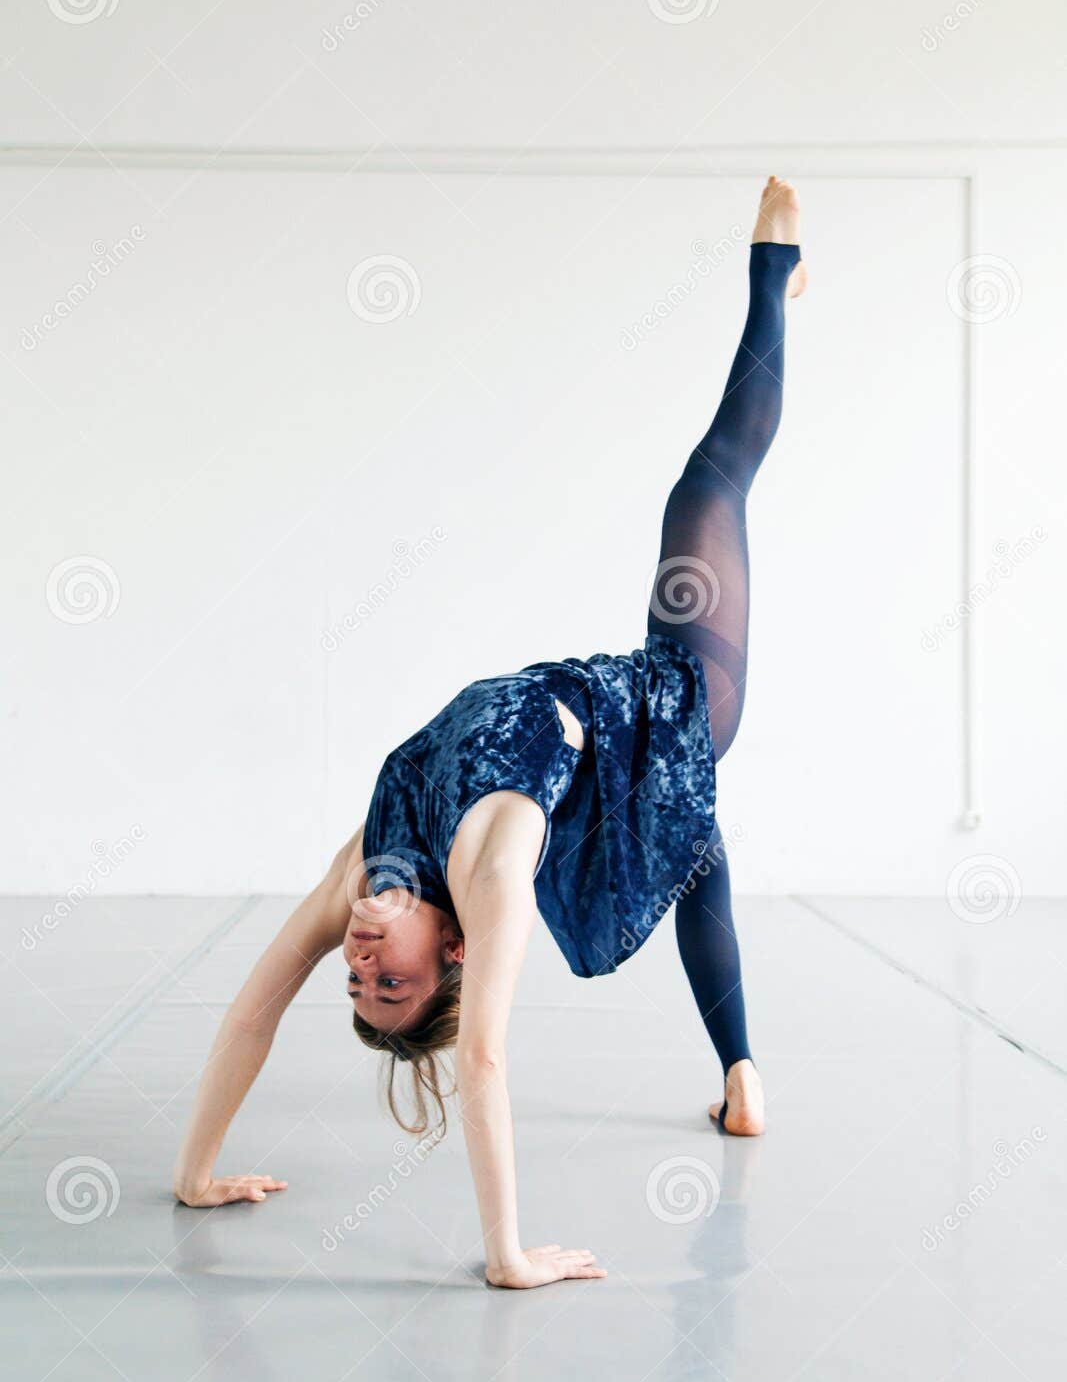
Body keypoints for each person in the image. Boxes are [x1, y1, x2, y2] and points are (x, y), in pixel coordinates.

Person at [173, 178, 805, 1292]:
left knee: (697, 851)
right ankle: (771, 277)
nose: (362, 964)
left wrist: (195, 1173)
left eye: (356, 983)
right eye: (391, 984)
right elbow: (486, 1055)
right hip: (674, 708)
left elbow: (251, 1012)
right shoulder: (489, 866)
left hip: (604, 714)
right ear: (448, 954)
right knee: (711, 477)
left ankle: (742, 1073)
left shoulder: (362, 869)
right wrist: (508, 1254)